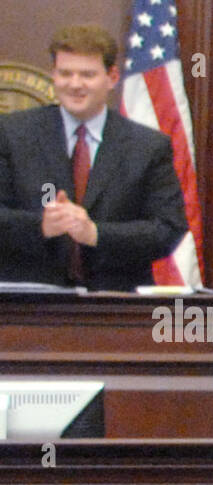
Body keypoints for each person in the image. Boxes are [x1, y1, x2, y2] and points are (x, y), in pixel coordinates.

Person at [0, 24, 188, 290]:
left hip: (114, 307)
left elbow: (168, 229)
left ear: (111, 77)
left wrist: (96, 233)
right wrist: (40, 226)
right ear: (53, 74)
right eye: (65, 73)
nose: (75, 84)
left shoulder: (148, 147)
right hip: (29, 307)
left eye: (87, 75)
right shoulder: (11, 134)